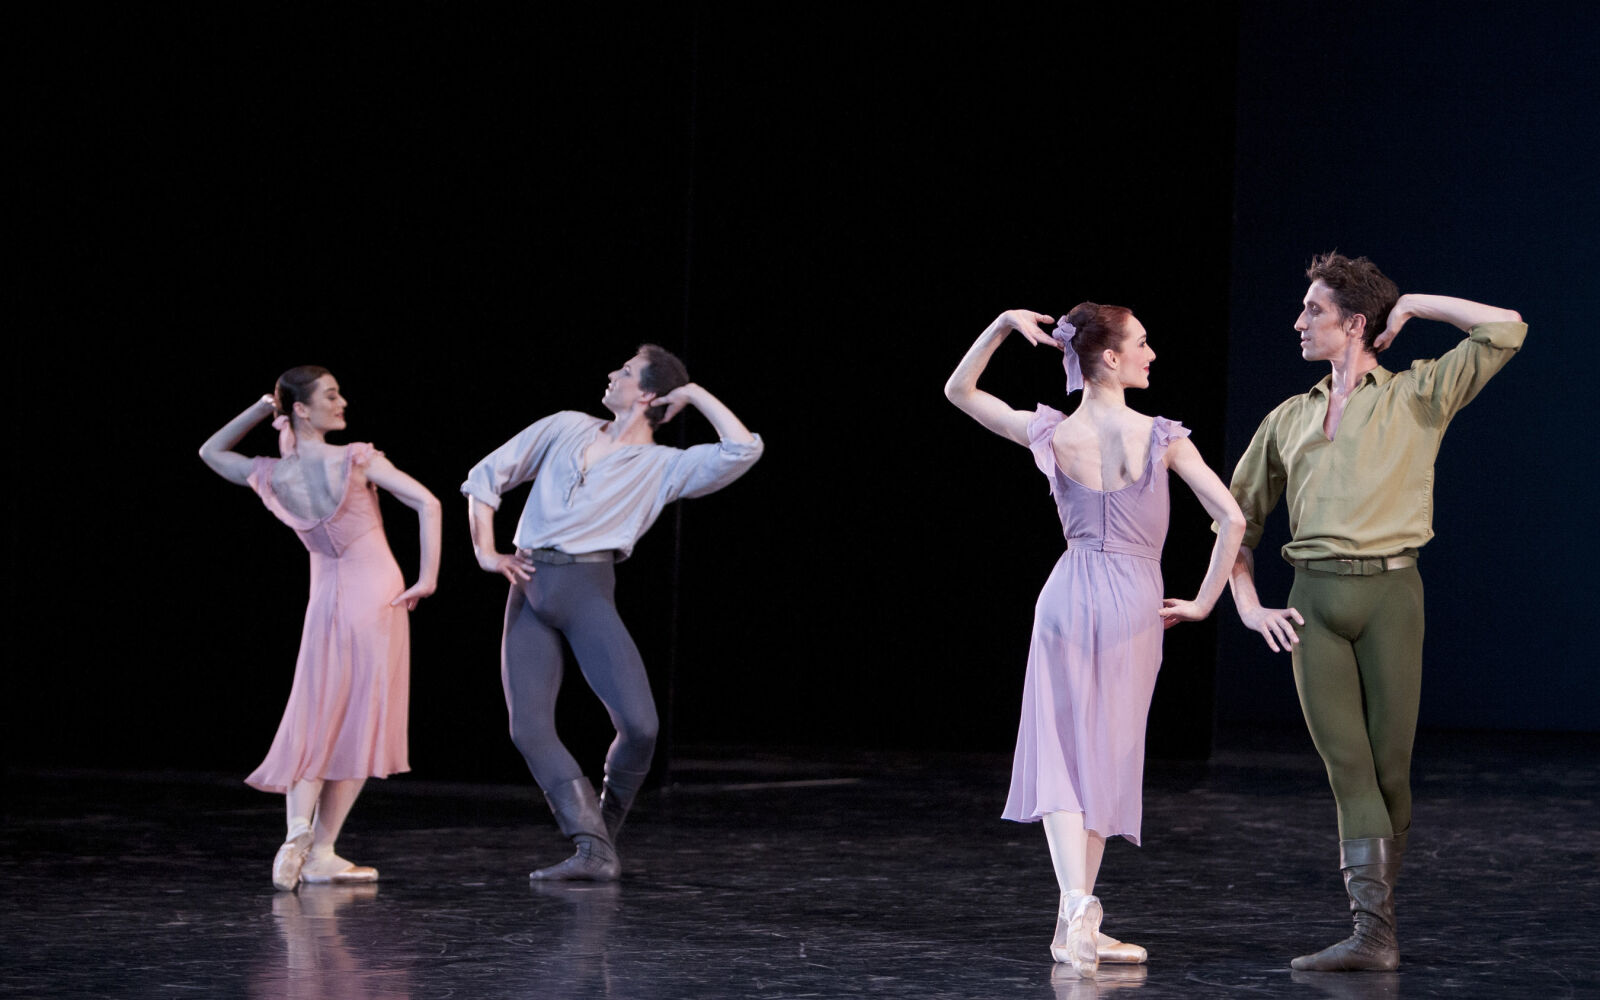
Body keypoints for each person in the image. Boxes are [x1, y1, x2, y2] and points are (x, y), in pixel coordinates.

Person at [1222, 253, 1526, 971]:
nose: (1299, 322)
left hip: (1393, 598)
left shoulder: (1418, 394)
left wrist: (1415, 301)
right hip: (1314, 605)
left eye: (1314, 311)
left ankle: (1377, 934)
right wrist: (1245, 603)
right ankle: (1373, 934)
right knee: (1348, 767)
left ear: (1356, 323)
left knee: (1391, 772)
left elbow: (1507, 328)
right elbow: (1233, 522)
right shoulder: (1287, 418)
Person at [945, 305, 1245, 978]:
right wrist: (1202, 600)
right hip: (1133, 602)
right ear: (1109, 357)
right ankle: (1079, 908)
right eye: (1142, 342)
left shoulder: (1051, 431)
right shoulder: (1162, 436)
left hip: (1067, 593)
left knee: (1064, 756)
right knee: (1101, 760)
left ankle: (1074, 924)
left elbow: (958, 392)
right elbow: (1231, 516)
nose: (1151, 353)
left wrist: (997, 327)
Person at [462, 344, 762, 882]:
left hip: (586, 588)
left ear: (647, 393)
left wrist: (691, 393)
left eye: (624, 371)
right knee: (528, 727)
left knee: (641, 727)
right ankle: (590, 848)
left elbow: (742, 450)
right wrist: (487, 551)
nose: (610, 374)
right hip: (528, 582)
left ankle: (602, 834)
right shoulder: (565, 426)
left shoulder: (664, 466)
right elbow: (486, 476)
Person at [199, 366, 442, 891]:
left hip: (324, 601)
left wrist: (263, 409)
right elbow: (429, 502)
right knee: (358, 718)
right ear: (304, 411)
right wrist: (427, 578)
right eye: (331, 394)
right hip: (376, 594)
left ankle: (298, 831)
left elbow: (210, 452)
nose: (343, 401)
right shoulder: (355, 458)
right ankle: (322, 849)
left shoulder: (271, 474)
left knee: (316, 712)